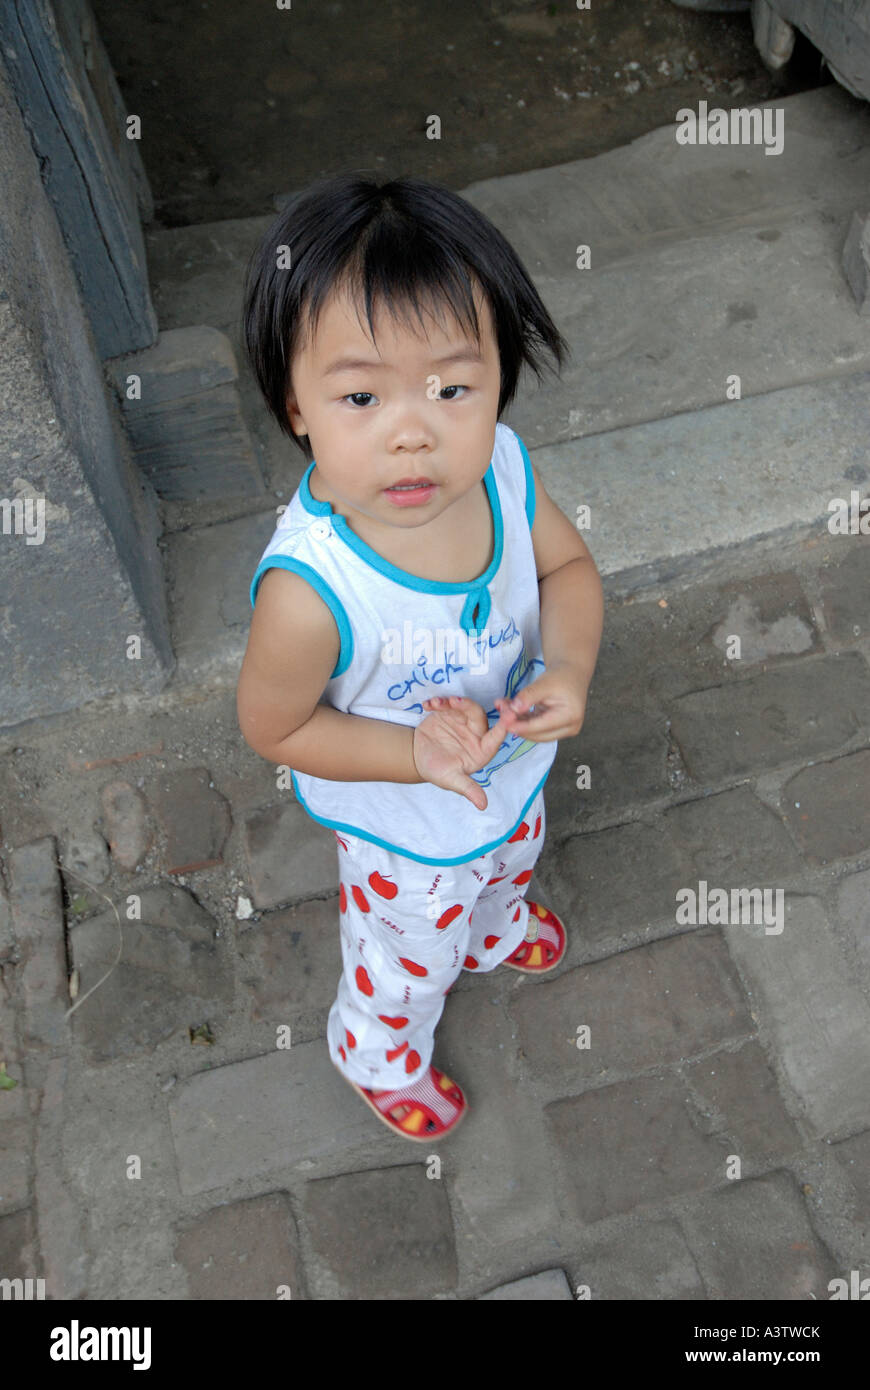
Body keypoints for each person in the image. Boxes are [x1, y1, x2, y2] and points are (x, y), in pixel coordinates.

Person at [236, 172, 604, 1142]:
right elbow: (274, 724)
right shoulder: (309, 593)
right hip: (406, 836)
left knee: (512, 853)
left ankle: (494, 927)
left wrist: (565, 667)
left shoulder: (506, 473)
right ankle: (376, 1046)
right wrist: (413, 757)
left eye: (452, 386)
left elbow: (568, 567)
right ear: (296, 406)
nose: (413, 428)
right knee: (408, 955)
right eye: (361, 393)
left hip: (510, 774)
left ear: (500, 382)